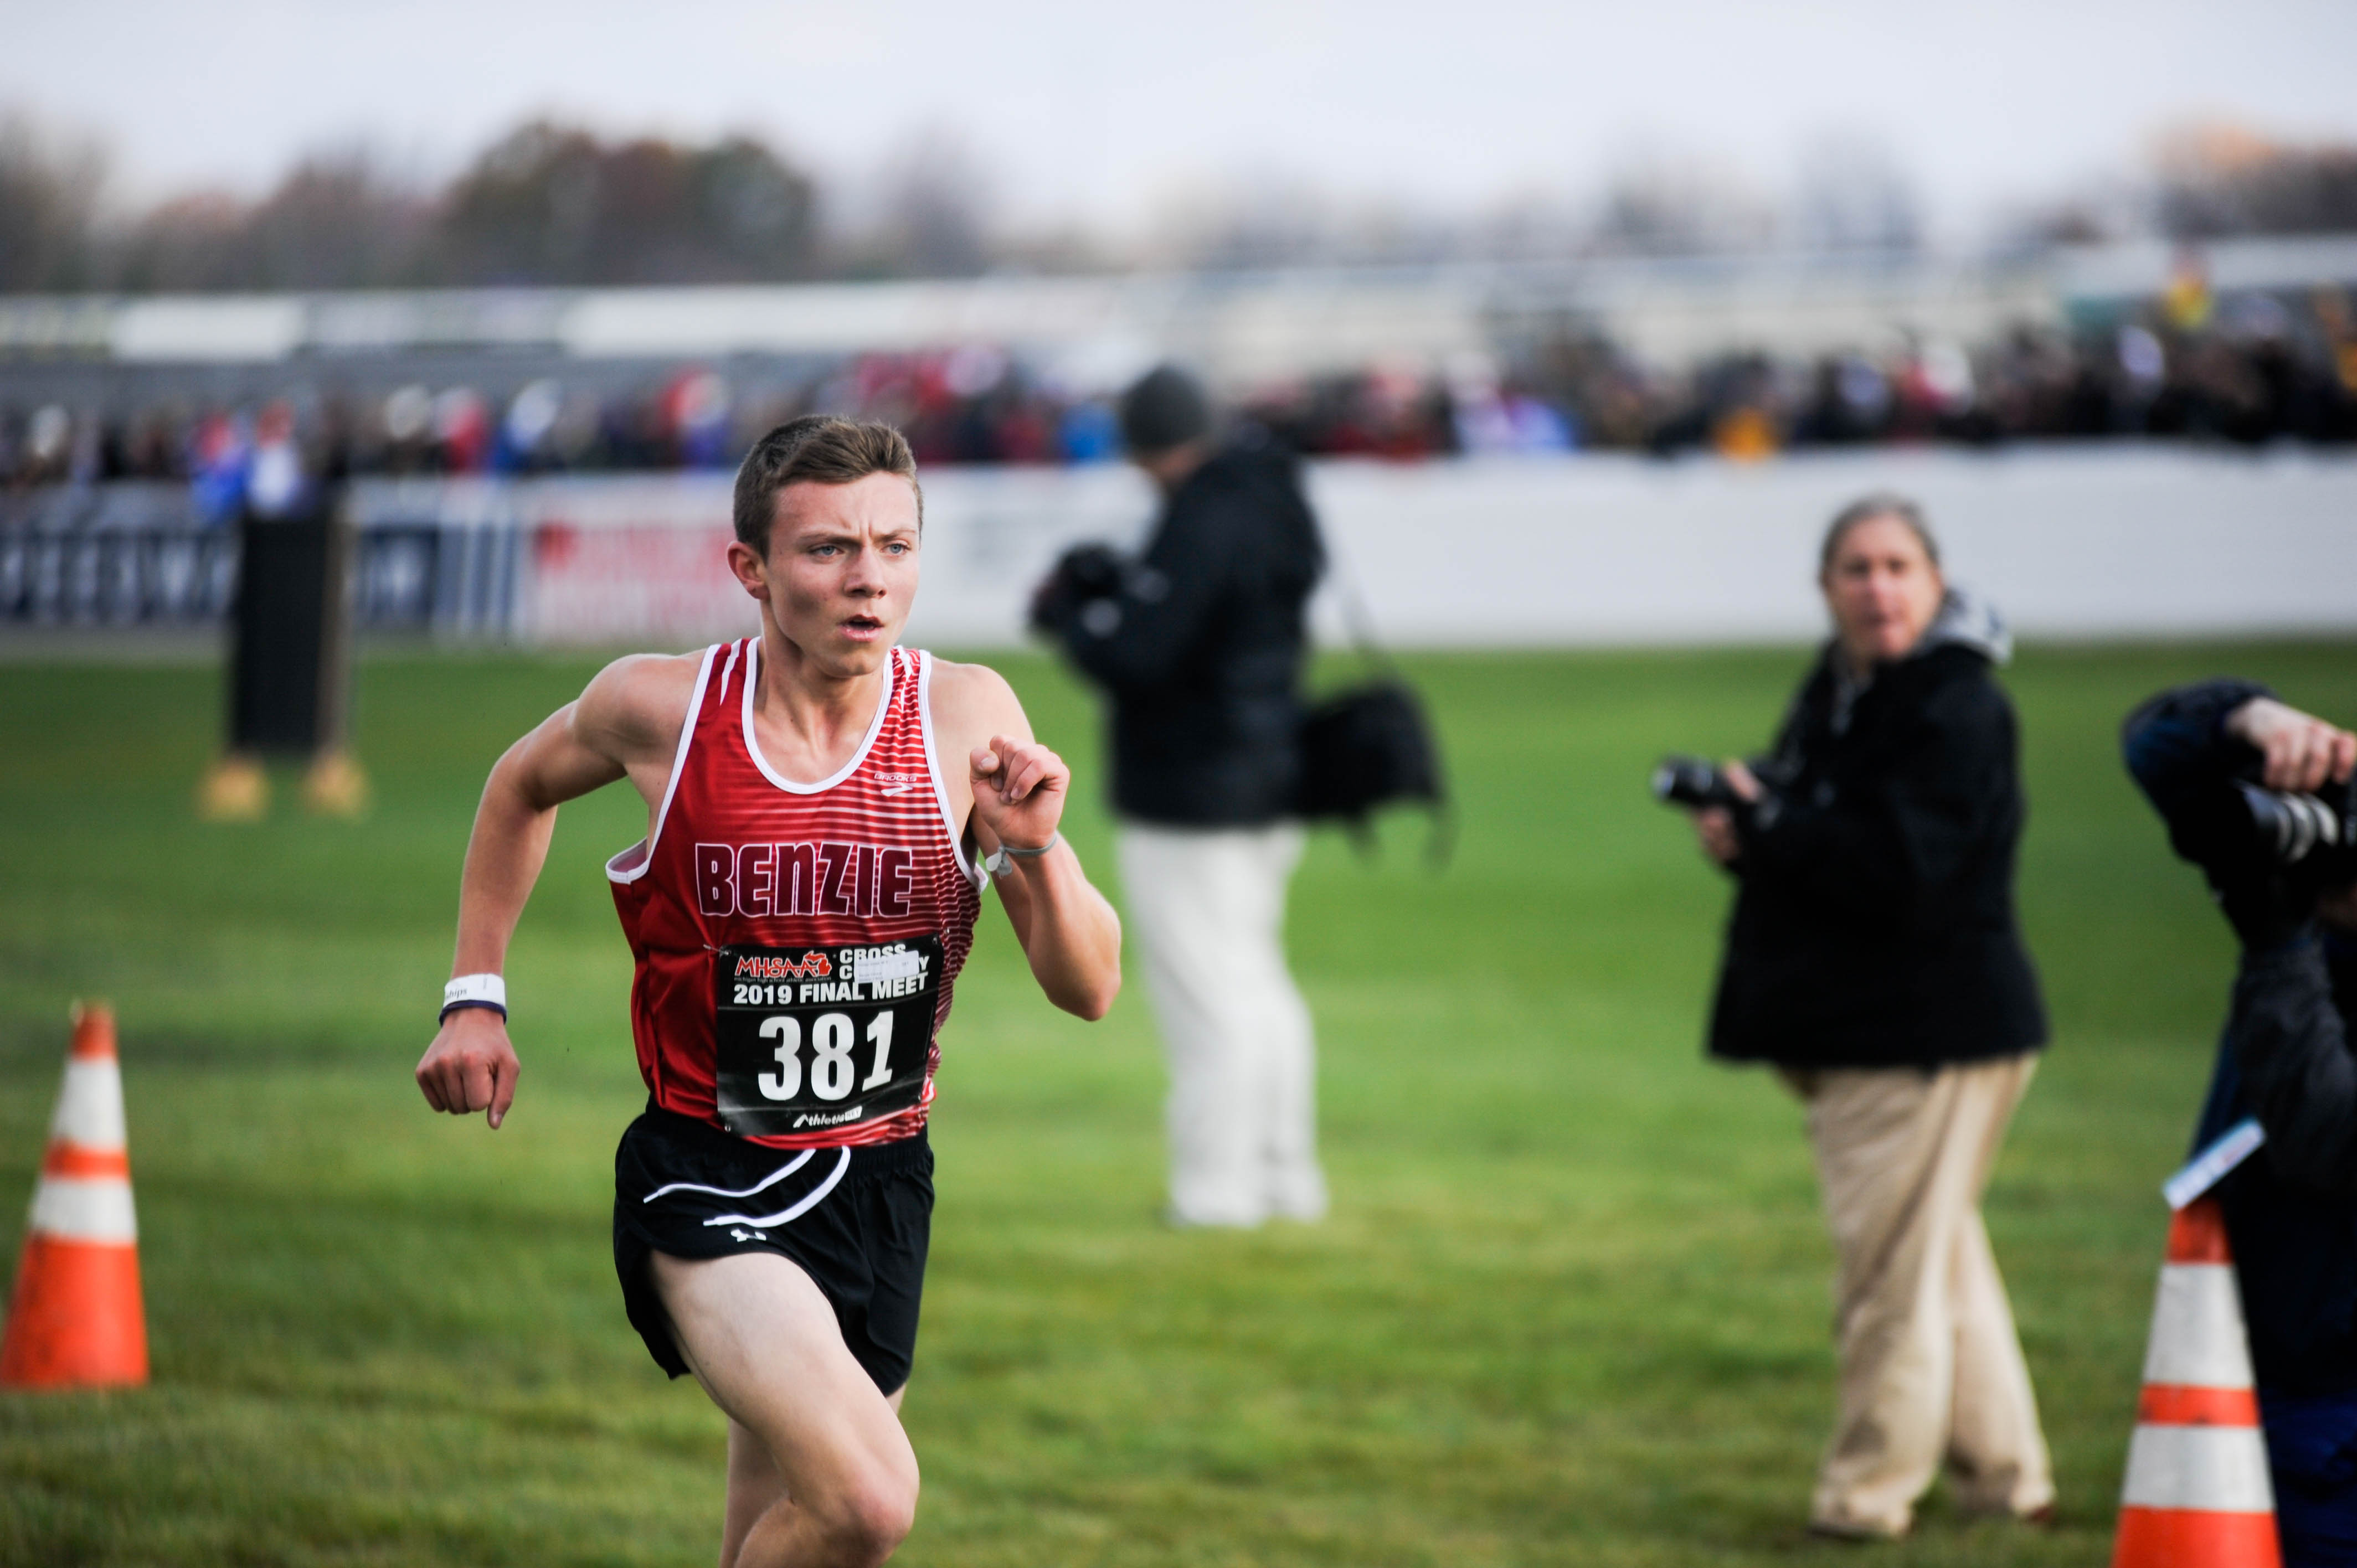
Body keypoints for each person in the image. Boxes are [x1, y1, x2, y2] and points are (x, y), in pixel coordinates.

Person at [413, 416, 1122, 1568]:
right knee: (869, 1502)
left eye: (895, 547)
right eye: (829, 548)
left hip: (883, 1180)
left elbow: (1087, 987)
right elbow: (518, 787)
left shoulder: (966, 717)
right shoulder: (663, 709)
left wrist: (1037, 849)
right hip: (709, 1173)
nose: (869, 579)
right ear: (750, 567)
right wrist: (474, 996)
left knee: (784, 1532)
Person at [1679, 493, 2054, 1539]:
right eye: (1857, 568)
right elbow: (1828, 822)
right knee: (1939, 1264)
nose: (1878, 589)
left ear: (1937, 582)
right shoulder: (1846, 689)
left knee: (1888, 1284)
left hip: (1917, 1037)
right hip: (1896, 1029)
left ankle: (1866, 1499)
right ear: (1825, 587)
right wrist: (1753, 824)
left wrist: (1771, 825)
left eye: (1898, 567)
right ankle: (2005, 1481)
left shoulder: (1954, 708)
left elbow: (1904, 874)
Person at [1030, 364, 1327, 1228]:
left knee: (1206, 993)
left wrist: (1074, 619)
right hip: (1271, 773)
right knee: (1256, 981)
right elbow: (1215, 627)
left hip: (1194, 790)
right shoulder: (1272, 496)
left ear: (1148, 445)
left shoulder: (1203, 514)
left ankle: (1217, 1192)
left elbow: (1143, 656)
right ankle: (1284, 1176)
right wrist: (1128, 588)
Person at [2123, 680, 2357, 1566]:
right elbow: (2153, 750)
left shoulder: (2293, 950)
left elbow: (2328, 1136)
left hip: (2334, 1398)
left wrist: (2278, 949)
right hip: (2249, 1353)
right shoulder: (2324, 928)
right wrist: (2252, 720)